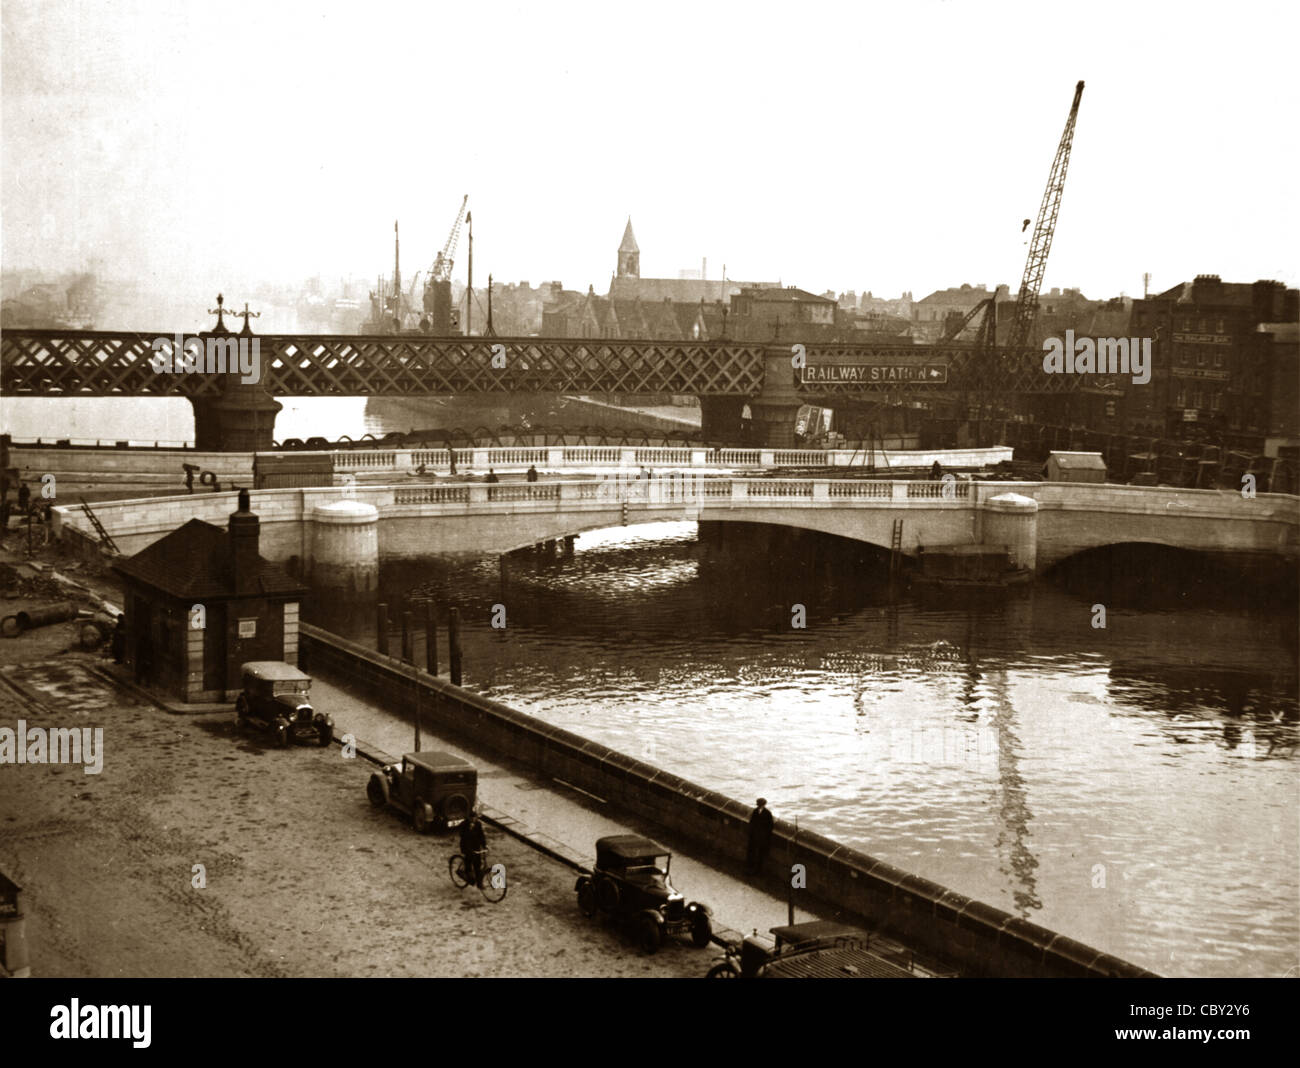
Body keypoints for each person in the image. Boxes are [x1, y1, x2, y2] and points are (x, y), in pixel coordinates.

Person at [746, 797, 774, 876]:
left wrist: (765, 835)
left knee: (760, 854)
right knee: (753, 853)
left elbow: (770, 826)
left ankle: (759, 871)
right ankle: (751, 869)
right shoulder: (755, 811)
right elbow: (751, 823)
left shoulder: (767, 813)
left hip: (762, 837)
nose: (758, 806)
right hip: (754, 836)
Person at [460, 810, 488, 885]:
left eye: (474, 818)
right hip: (466, 846)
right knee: (469, 862)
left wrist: (485, 845)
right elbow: (463, 837)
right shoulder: (464, 824)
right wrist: (470, 830)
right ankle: (467, 876)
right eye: (471, 818)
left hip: (476, 846)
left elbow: (481, 835)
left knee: (478, 865)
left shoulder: (478, 824)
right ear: (468, 818)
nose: (472, 819)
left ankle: (479, 883)